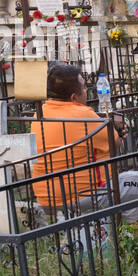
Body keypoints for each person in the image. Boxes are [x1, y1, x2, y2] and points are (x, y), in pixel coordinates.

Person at [30, 63, 126, 218]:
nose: (87, 91)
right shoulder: (83, 114)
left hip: (46, 198)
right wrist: (118, 132)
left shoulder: (39, 114)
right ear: (74, 97)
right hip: (83, 195)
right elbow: (114, 143)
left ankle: (117, 233)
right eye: (84, 87)